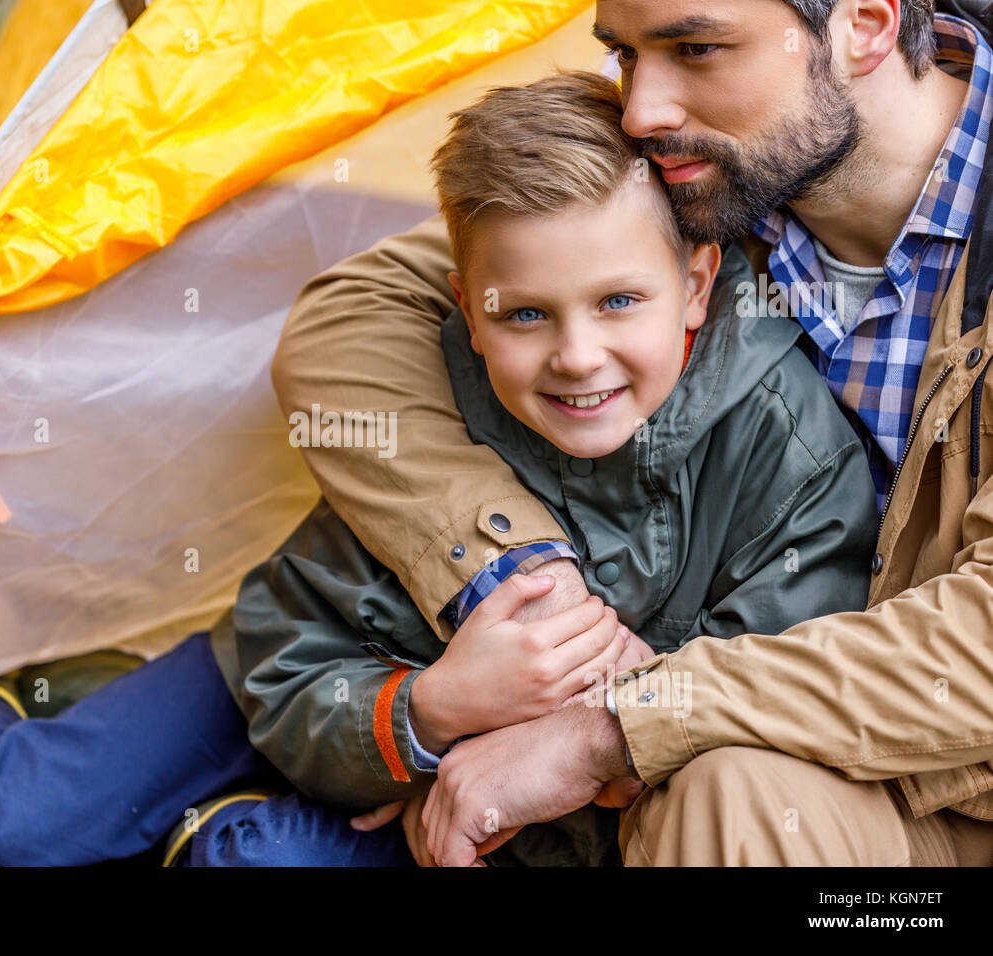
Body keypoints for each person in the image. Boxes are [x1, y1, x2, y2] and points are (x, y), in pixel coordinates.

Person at [270, 0, 993, 866]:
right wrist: (522, 579)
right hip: (808, 777)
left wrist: (609, 722)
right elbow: (357, 313)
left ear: (865, 26)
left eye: (695, 47)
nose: (641, 110)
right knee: (733, 791)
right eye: (623, 54)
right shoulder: (715, 180)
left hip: (961, 785)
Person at [181, 70, 877, 867]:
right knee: (218, 849)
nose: (578, 359)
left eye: (619, 301)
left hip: (612, 835)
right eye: (524, 315)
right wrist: (430, 714)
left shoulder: (789, 455)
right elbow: (291, 654)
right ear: (468, 313)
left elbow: (782, 703)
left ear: (695, 285)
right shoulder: (445, 411)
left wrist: (586, 736)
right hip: (429, 802)